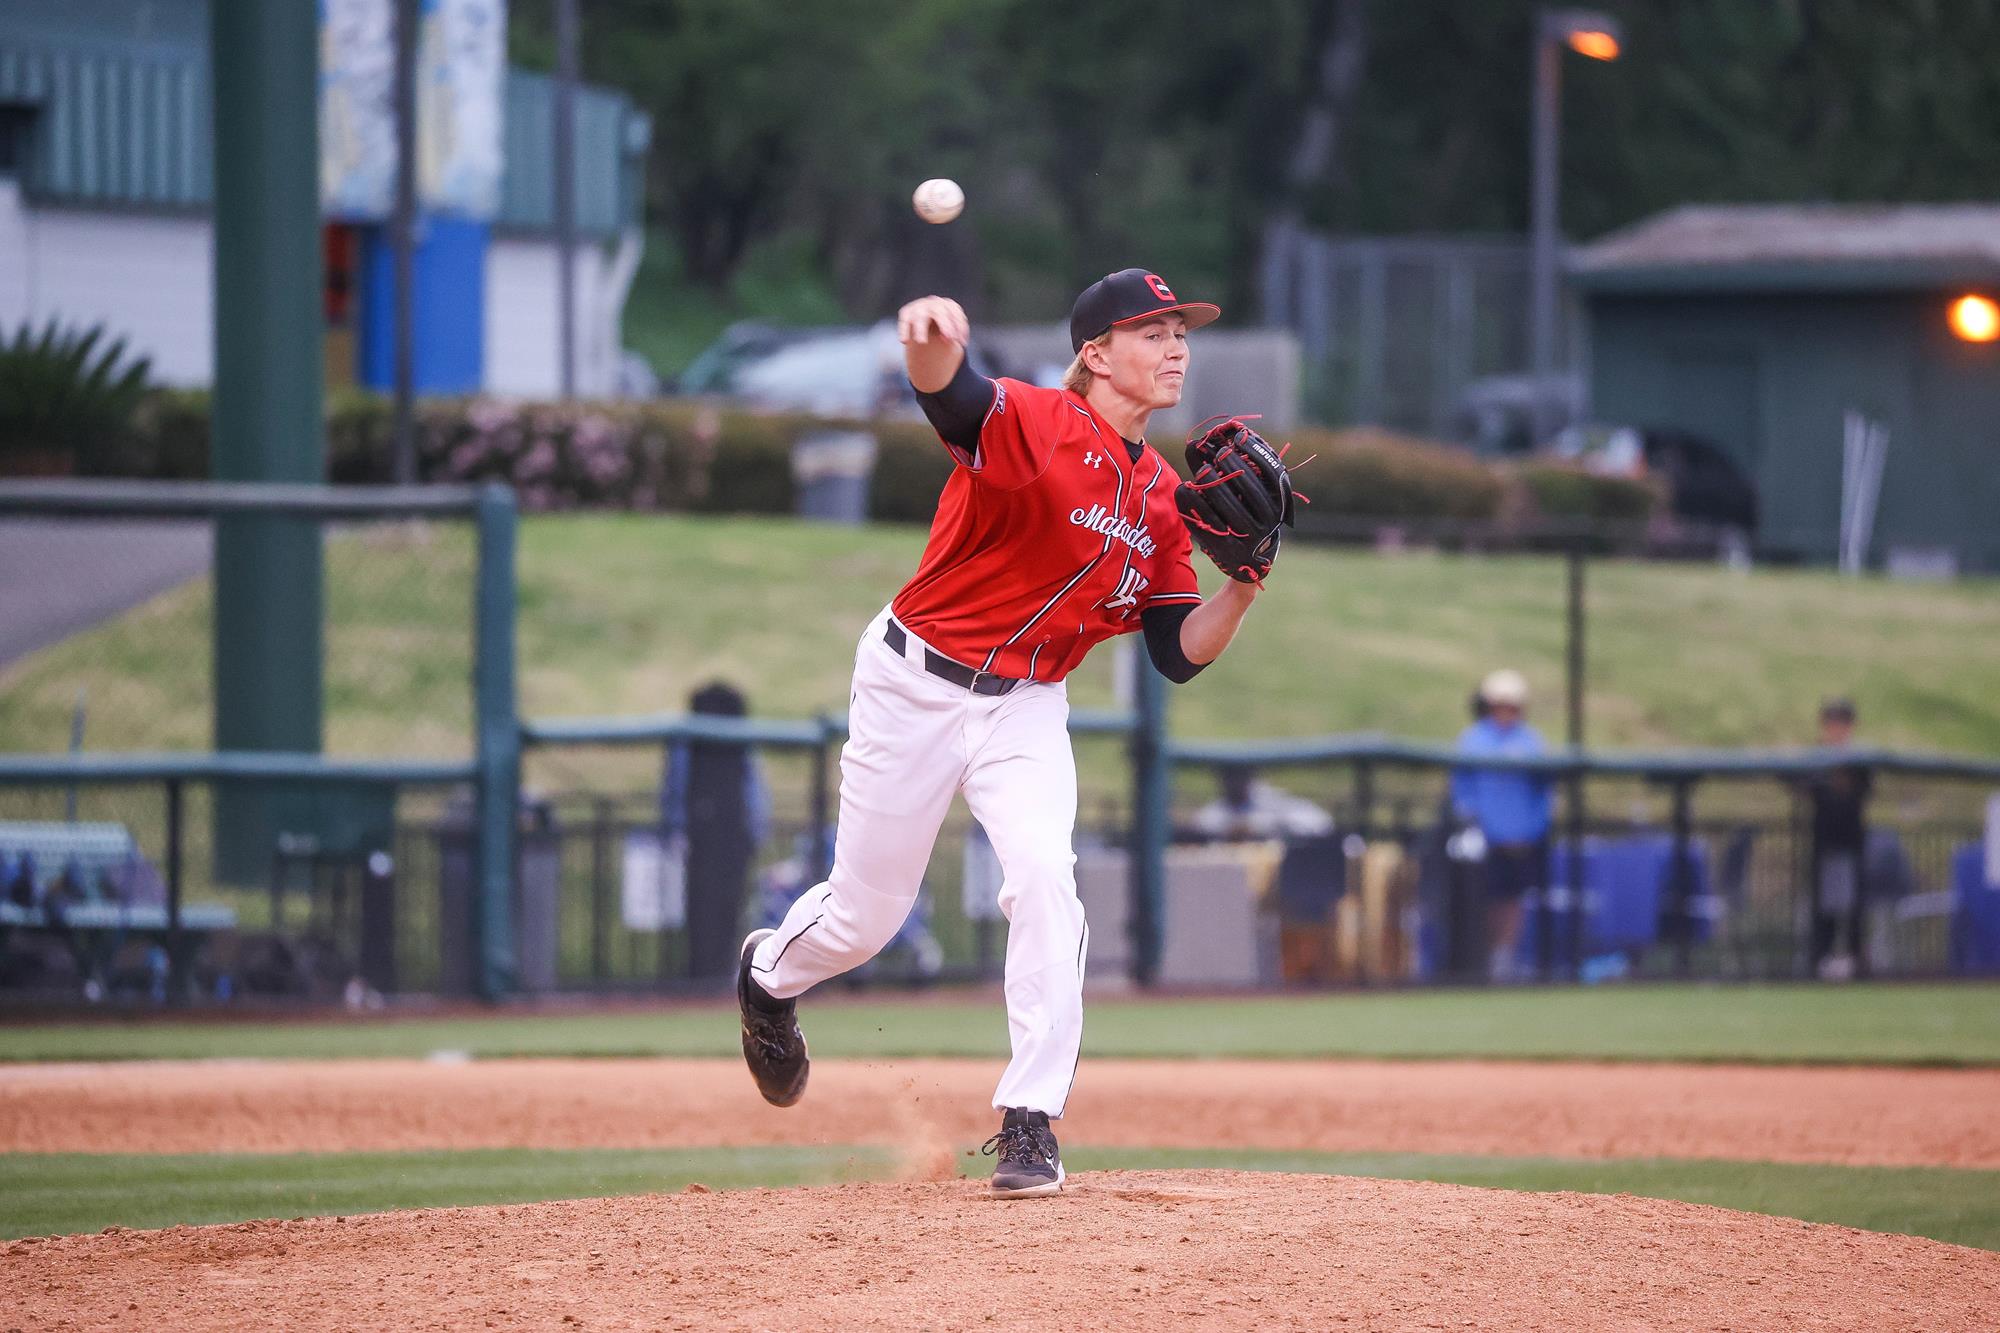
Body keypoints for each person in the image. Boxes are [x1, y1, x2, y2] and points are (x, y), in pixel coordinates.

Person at [736, 269, 1272, 1197]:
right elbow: (949, 391)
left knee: (1043, 877)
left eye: (1181, 331)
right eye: (1153, 331)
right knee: (865, 919)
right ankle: (769, 978)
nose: (1176, 345)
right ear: (1096, 354)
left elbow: (1177, 654)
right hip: (914, 680)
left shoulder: (1159, 501)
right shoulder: (1034, 420)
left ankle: (1031, 1119)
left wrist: (1245, 585)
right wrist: (927, 337)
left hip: (1027, 703)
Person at [662, 682, 771, 983]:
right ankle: (702, 975)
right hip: (702, 835)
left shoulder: (740, 741)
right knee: (700, 908)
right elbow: (677, 785)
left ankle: (726, 973)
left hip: (732, 834)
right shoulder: (687, 741)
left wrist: (756, 829)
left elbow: (753, 787)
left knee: (730, 907)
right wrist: (677, 829)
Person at [1451, 669, 1553, 981]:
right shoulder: (1473, 740)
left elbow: (1543, 793)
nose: (1506, 712)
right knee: (1481, 898)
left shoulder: (1531, 741)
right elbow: (1462, 791)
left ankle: (1504, 958)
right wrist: (1475, 826)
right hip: (1483, 838)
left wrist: (1532, 830)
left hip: (1522, 840)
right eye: (1500, 705)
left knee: (1513, 900)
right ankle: (1478, 958)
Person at [1807, 697, 1872, 980]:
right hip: (1824, 844)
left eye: (1842, 723)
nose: (1836, 729)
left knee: (1853, 908)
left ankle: (1856, 963)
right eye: (1832, 723)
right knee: (1824, 908)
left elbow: (1862, 791)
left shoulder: (1860, 761)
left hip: (1851, 844)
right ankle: (1820, 963)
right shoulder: (1816, 758)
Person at [1189, 762, 1335, 841]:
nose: (1235, 782)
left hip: (1274, 883)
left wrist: (1268, 826)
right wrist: (1233, 829)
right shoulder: (1214, 812)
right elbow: (1203, 826)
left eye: (1241, 775)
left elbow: (1322, 823)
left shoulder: (1271, 802)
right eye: (1230, 776)